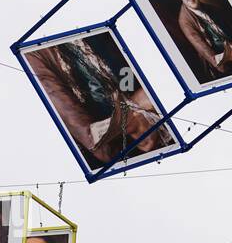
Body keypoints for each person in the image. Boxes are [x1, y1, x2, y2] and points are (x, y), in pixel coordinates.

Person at [25, 36, 175, 170]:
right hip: (124, 152)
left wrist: (135, 101)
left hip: (155, 123)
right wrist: (135, 110)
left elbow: (124, 70)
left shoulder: (95, 29)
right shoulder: (36, 56)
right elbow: (88, 135)